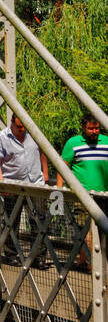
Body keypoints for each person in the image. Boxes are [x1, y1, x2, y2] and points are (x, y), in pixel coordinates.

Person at [0, 112, 50, 267]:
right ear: (12, 122)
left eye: (24, 127)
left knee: (39, 221)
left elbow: (42, 152)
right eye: (19, 127)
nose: (22, 130)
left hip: (35, 184)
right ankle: (11, 255)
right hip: (13, 185)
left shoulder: (34, 132)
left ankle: (39, 257)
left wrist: (45, 173)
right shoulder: (1, 137)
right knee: (11, 222)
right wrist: (1, 181)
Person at [58, 112, 108, 271]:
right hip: (82, 195)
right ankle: (92, 264)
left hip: (104, 195)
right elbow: (62, 166)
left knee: (101, 231)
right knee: (85, 229)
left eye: (97, 128)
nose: (94, 132)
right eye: (91, 129)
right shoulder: (73, 143)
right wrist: (58, 192)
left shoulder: (106, 141)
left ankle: (84, 260)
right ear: (83, 128)